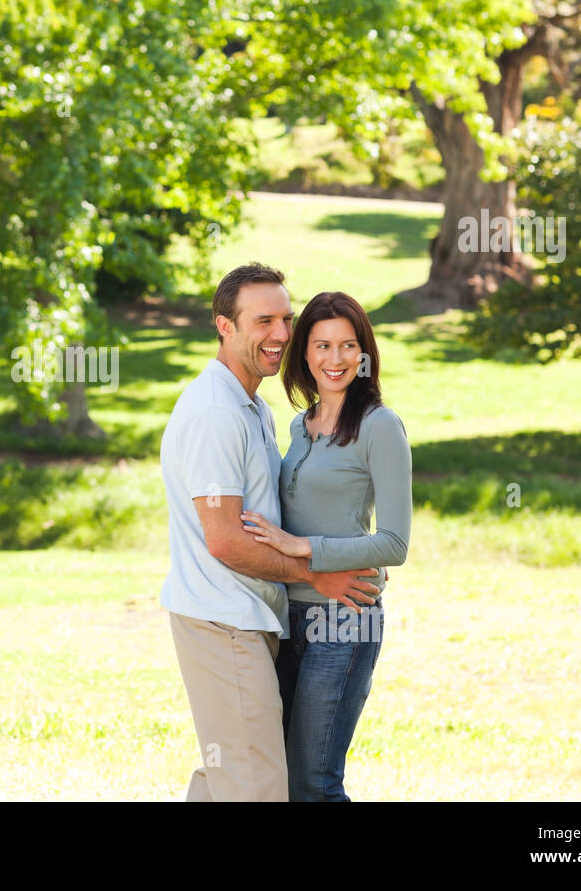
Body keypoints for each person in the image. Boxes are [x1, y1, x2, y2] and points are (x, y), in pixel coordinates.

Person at [160, 265, 380, 802]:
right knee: (257, 788)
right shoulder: (216, 412)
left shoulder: (252, 405)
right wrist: (319, 577)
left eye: (286, 318)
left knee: (229, 779)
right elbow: (225, 540)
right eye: (263, 320)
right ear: (224, 327)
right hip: (224, 620)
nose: (281, 333)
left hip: (247, 617)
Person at [241, 291, 412, 801]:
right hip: (287, 616)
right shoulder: (301, 424)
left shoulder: (380, 427)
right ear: (305, 352)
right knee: (286, 782)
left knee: (316, 782)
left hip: (344, 618)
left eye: (346, 346)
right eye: (321, 345)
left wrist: (303, 548)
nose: (333, 359)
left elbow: (395, 543)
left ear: (364, 354)